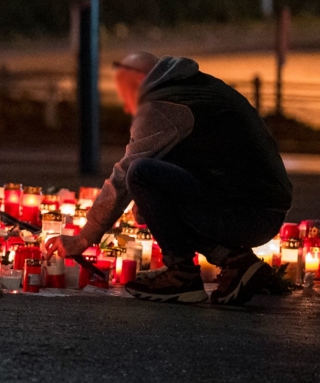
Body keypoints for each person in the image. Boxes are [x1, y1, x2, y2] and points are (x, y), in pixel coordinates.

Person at [45, 53, 292, 306]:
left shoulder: (159, 105)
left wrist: (84, 238)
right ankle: (235, 261)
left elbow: (124, 175)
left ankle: (181, 274)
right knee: (147, 201)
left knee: (140, 174)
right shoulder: (193, 86)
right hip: (260, 208)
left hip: (249, 214)